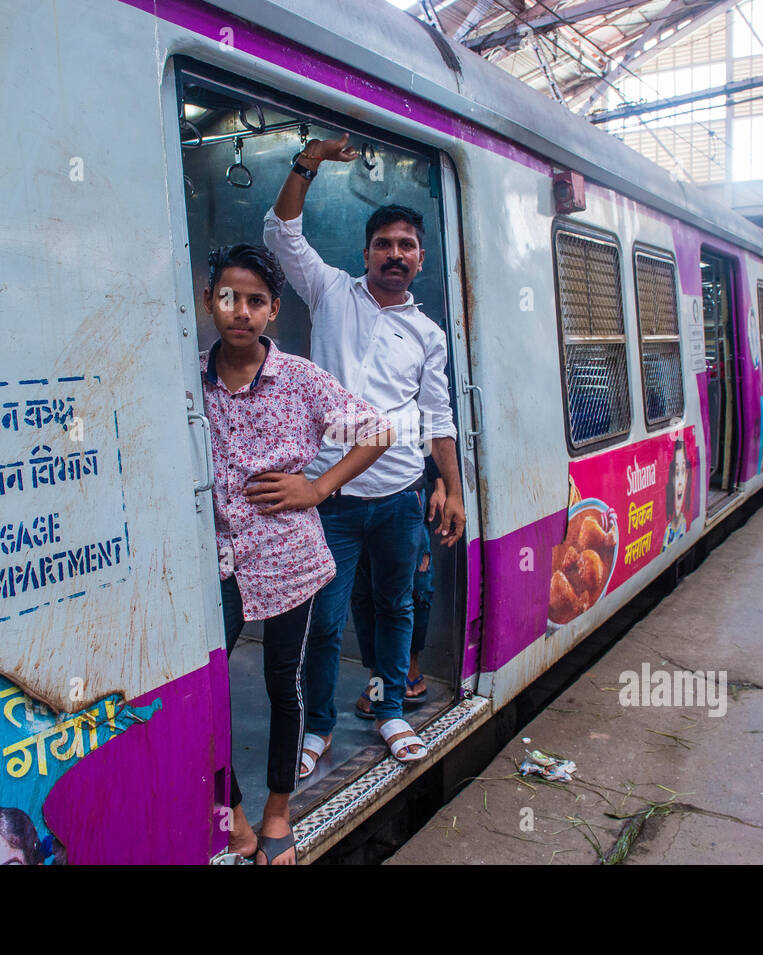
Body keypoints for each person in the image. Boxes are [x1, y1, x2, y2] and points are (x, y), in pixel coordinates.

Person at [264, 133, 465, 781]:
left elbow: (437, 419)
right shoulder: (329, 292)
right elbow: (280, 233)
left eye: (407, 245)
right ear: (367, 252)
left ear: (421, 258)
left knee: (397, 608)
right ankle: (317, 726)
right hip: (332, 499)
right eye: (385, 243)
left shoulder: (427, 335)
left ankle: (388, 710)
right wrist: (310, 161)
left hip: (402, 498)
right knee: (324, 620)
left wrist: (452, 489)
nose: (395, 254)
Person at [201, 243, 394, 865]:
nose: (241, 311)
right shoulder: (185, 380)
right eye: (229, 297)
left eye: (256, 301)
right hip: (216, 565)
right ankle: (231, 819)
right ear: (210, 304)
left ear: (274, 311)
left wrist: (318, 486)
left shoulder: (300, 380)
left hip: (289, 559)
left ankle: (277, 812)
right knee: (204, 695)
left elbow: (378, 430)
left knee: (282, 685)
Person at [351, 454, 447, 717]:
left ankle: (411, 666)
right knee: (364, 591)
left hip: (407, 488)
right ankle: (377, 680)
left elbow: (429, 427)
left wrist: (440, 485)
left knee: (417, 586)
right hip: (351, 491)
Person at [661, 436, 692, 551]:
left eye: (683, 471)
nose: (679, 483)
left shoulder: (683, 526)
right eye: (676, 472)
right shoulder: (667, 533)